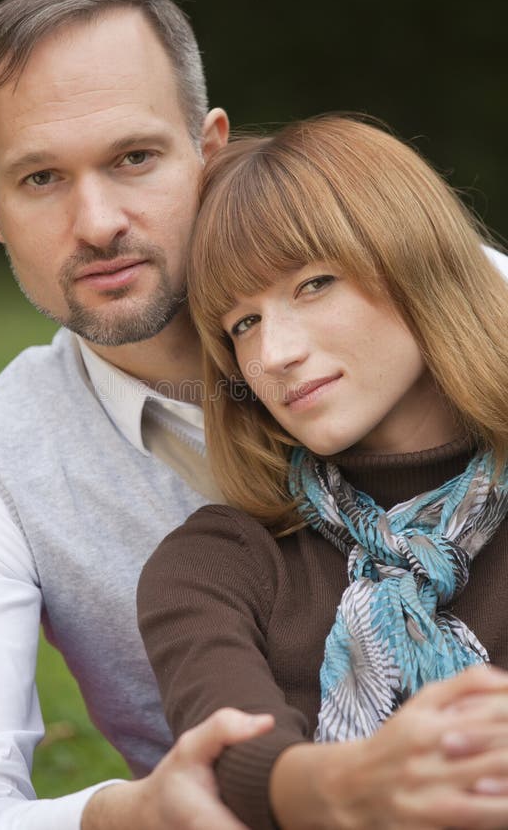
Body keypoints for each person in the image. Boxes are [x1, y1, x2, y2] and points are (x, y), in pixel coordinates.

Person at [0, 0, 278, 830]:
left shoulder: (430, 301)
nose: (98, 221)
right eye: (41, 178)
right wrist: (135, 813)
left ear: (209, 147)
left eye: (134, 158)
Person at [137, 115, 508, 830]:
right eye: (241, 324)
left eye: (312, 284)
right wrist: (356, 783)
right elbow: (233, 758)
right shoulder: (216, 565)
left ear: (416, 262)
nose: (273, 354)